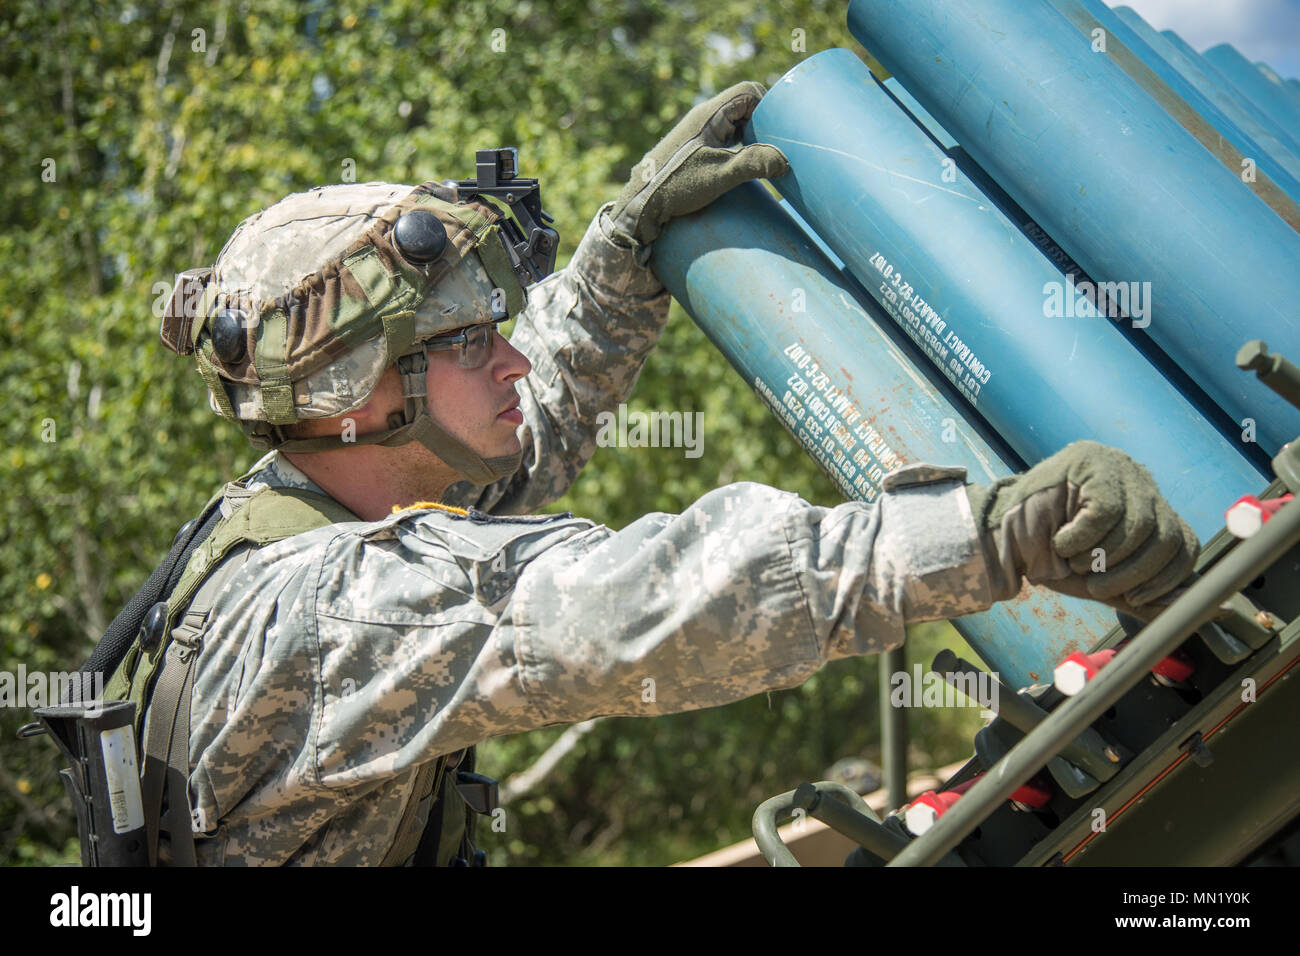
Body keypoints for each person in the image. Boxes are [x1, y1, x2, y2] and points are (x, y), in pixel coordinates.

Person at [104, 83, 1199, 866]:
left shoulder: (294, 515)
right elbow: (651, 600)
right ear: (356, 390)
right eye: (470, 340)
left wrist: (625, 246)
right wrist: (999, 531)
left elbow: (519, 435)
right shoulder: (339, 609)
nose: (514, 356)